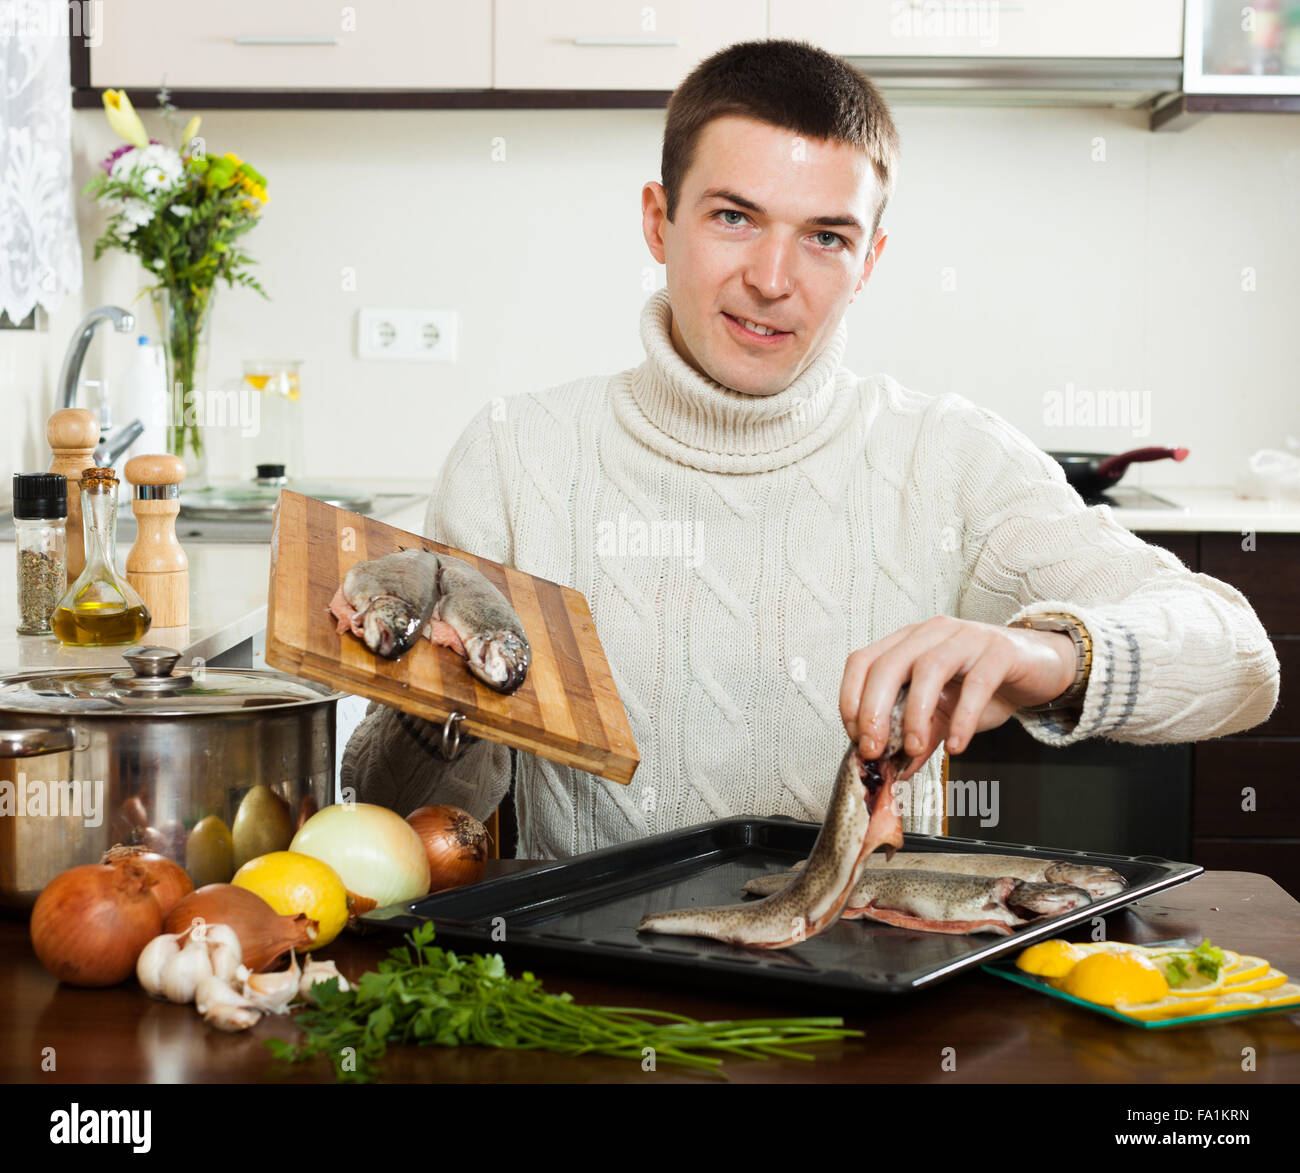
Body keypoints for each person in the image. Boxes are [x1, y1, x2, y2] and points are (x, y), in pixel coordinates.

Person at [341, 39, 1279, 859]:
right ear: (657, 220)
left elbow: (1241, 661)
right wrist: (440, 708)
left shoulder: (945, 456)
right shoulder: (516, 457)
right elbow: (400, 822)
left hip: (874, 994)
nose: (771, 279)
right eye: (733, 216)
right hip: (595, 1005)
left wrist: (1053, 651)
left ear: (869, 259)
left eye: (825, 236)